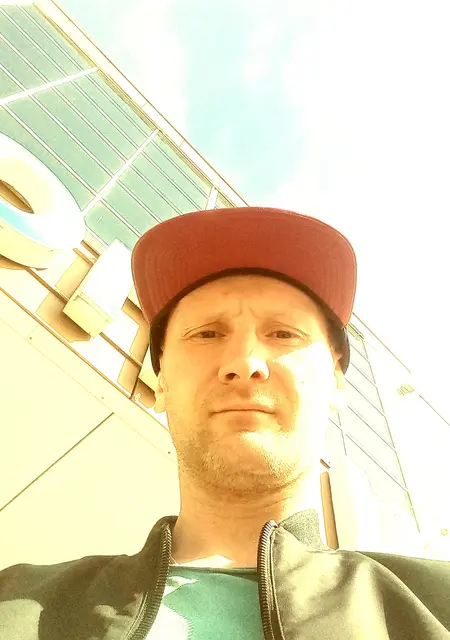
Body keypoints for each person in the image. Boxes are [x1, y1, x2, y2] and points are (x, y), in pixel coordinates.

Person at [0, 207, 449, 639]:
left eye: (283, 333)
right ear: (161, 382)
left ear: (335, 381)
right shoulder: (14, 604)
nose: (245, 362)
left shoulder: (437, 607)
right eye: (207, 334)